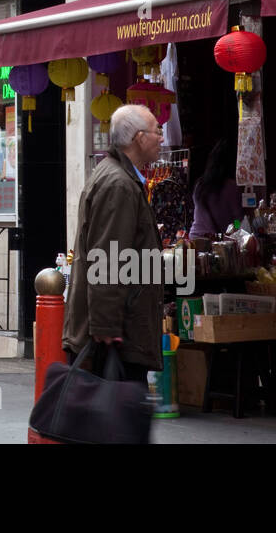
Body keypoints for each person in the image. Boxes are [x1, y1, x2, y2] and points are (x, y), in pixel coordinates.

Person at [62, 105, 165, 384]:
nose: (162, 138)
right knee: (114, 415)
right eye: (158, 130)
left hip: (118, 331)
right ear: (139, 138)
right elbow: (107, 257)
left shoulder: (119, 177)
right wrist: (106, 327)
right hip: (114, 337)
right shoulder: (118, 184)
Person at [188, 140, 243, 240]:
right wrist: (235, 230)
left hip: (195, 237)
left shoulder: (200, 185)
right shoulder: (232, 187)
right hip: (216, 242)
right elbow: (238, 219)